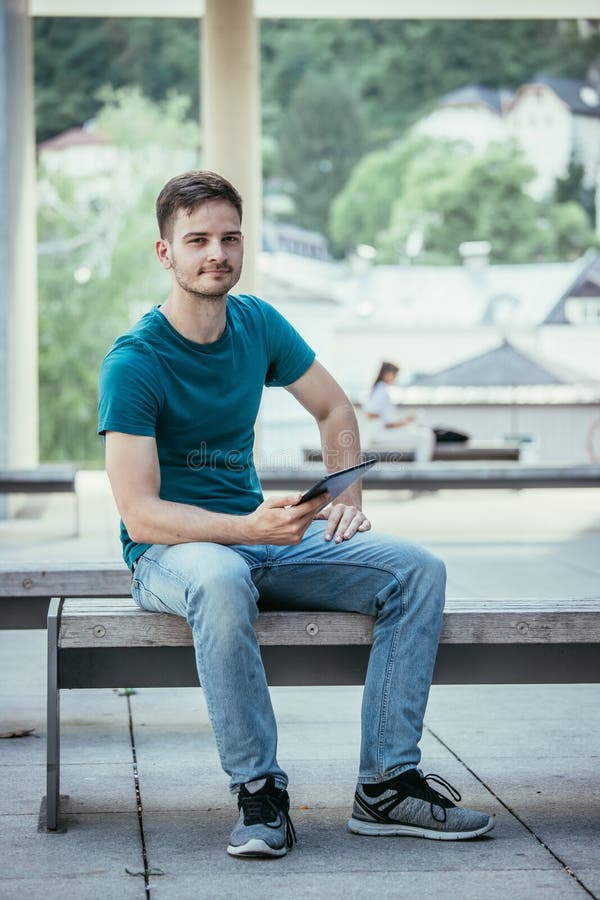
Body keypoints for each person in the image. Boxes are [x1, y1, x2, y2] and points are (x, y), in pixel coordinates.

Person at [98, 170, 494, 859]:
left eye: (229, 237)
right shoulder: (134, 363)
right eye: (197, 240)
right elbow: (141, 516)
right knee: (220, 579)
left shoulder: (257, 324)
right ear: (166, 254)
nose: (215, 253)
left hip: (259, 536)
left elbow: (335, 408)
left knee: (417, 570)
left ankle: (388, 785)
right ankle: (260, 795)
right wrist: (248, 528)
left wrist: (346, 498)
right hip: (172, 555)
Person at [365, 362, 435, 462]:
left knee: (422, 433)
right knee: (426, 436)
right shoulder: (381, 391)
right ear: (387, 374)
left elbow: (381, 417)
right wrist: (405, 421)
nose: (395, 378)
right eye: (395, 375)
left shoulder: (379, 389)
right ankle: (421, 470)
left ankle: (420, 468)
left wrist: (405, 420)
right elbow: (383, 421)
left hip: (382, 431)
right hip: (383, 434)